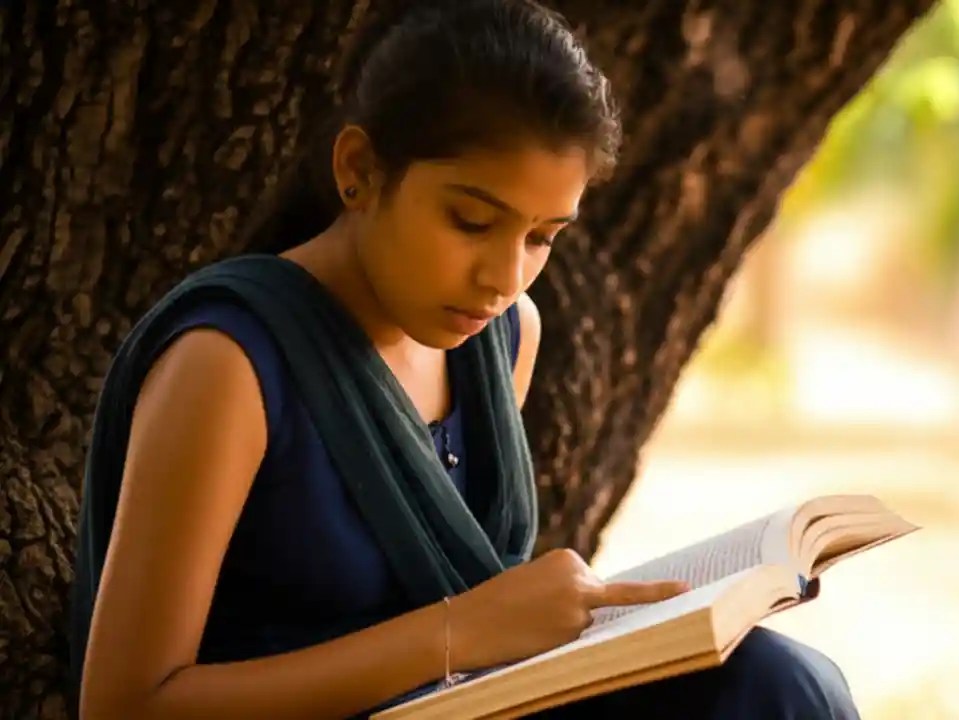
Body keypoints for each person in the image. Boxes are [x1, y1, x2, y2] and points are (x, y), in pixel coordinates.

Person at [67, 1, 859, 718]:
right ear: (358, 172)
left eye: (542, 237)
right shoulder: (229, 364)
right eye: (471, 221)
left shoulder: (504, 337)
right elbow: (126, 704)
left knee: (780, 685)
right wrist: (458, 633)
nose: (504, 277)